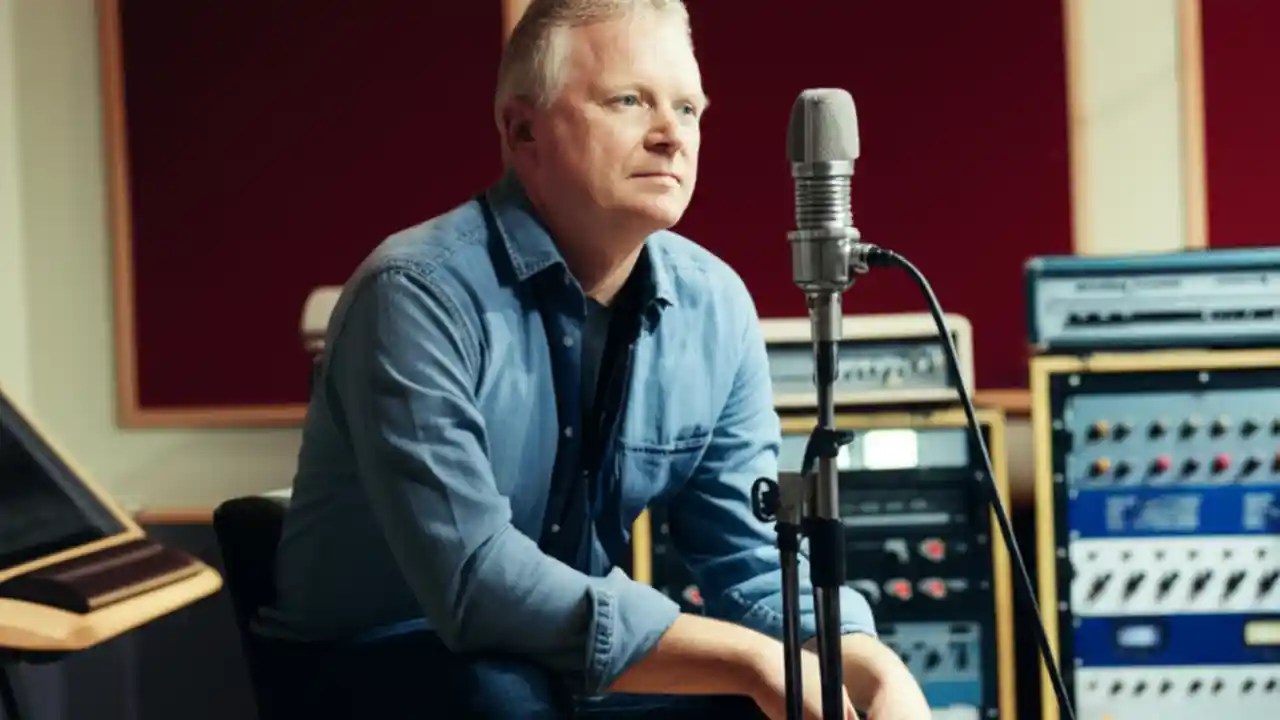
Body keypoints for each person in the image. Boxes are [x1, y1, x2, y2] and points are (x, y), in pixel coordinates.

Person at [262, 1, 931, 718]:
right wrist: (752, 661)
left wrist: (870, 666)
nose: (672, 135)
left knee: (772, 701)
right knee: (509, 694)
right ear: (523, 130)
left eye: (689, 107)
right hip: (378, 664)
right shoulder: (414, 295)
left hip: (551, 668)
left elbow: (754, 566)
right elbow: (475, 584)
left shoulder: (716, 307)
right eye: (629, 100)